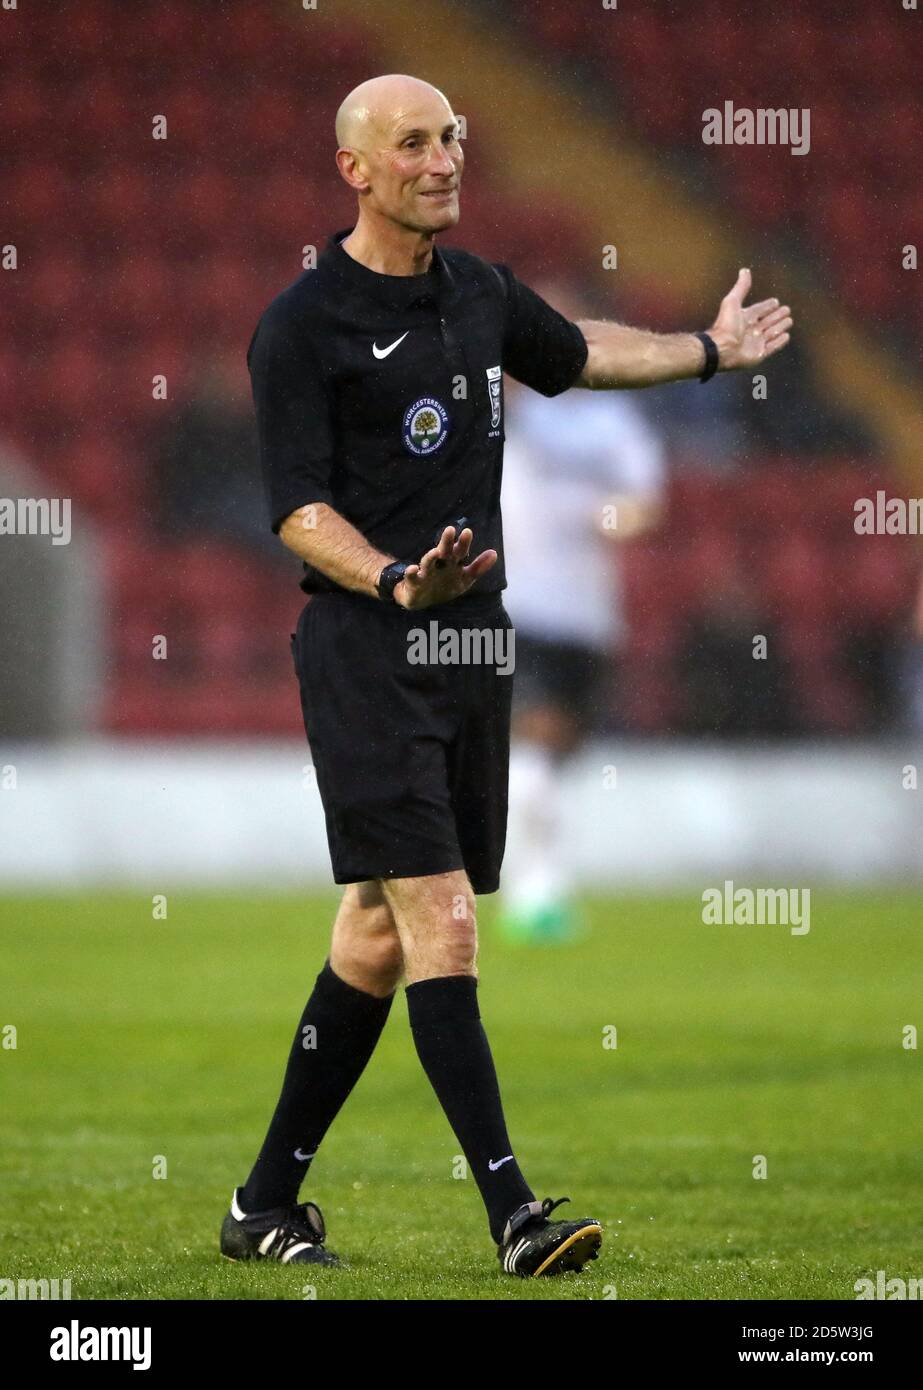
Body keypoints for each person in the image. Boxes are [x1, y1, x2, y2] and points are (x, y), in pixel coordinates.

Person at [220, 73, 793, 1279]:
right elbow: (296, 509)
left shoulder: (477, 292)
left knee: (374, 934)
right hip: (369, 648)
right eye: (412, 143)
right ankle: (514, 1214)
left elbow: (578, 354)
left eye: (451, 138)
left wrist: (707, 350)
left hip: (475, 646)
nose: (442, 160)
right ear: (354, 169)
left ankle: (261, 1204)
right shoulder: (302, 325)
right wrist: (394, 581)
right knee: (442, 919)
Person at [499, 281, 666, 942]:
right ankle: (535, 890)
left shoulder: (610, 422)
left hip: (586, 613)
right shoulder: (500, 412)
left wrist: (613, 518)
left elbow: (643, 503)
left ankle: (527, 869)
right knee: (535, 736)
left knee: (557, 748)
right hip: (515, 603)